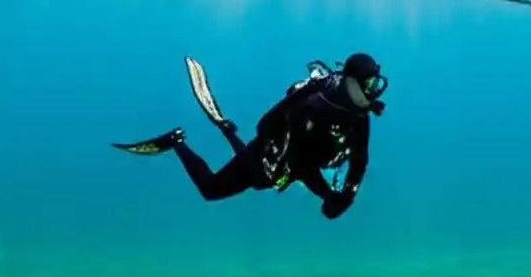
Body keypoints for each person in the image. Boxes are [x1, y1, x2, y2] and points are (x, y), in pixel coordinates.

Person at [113, 53, 387, 219]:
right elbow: (300, 162)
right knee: (213, 189)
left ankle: (226, 130)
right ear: (350, 82)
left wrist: (348, 195)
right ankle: (176, 141)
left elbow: (359, 159)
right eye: (368, 84)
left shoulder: (358, 114)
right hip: (273, 155)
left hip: (280, 161)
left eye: (376, 83)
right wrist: (328, 196)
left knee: (262, 174)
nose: (373, 91)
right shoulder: (315, 107)